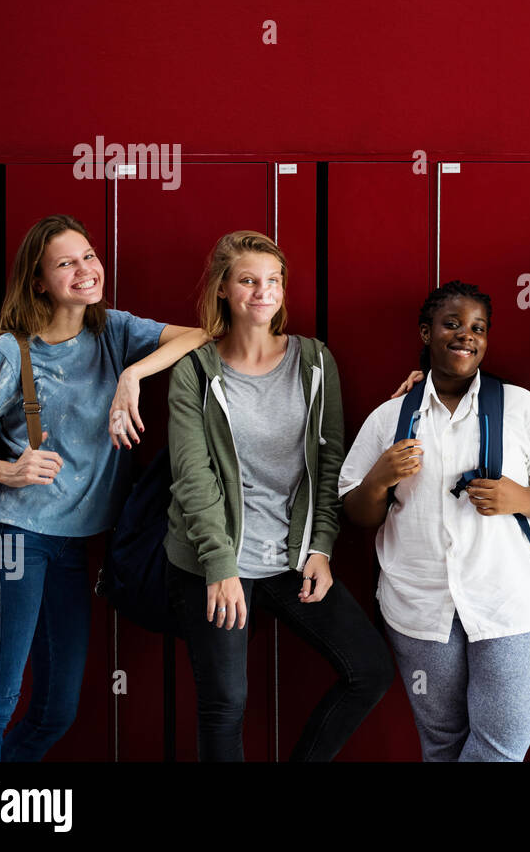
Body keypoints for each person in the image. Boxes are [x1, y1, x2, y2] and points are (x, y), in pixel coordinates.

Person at [0, 214, 208, 761]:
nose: (86, 270)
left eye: (90, 255)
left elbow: (203, 335)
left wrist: (133, 375)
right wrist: (6, 471)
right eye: (65, 263)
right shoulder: (10, 354)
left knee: (57, 709)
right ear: (38, 281)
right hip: (12, 538)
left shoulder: (116, 332)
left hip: (72, 544)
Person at [164, 230, 393, 761]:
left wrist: (321, 548)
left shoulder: (314, 362)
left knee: (370, 671)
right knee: (225, 703)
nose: (262, 292)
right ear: (223, 288)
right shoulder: (194, 370)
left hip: (291, 557)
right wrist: (220, 565)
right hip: (213, 561)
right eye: (248, 280)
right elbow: (191, 476)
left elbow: (331, 462)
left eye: (273, 281)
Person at [340, 281, 530, 762]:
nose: (466, 336)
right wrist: (380, 479)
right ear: (426, 332)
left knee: (500, 748)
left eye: (478, 328)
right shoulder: (390, 417)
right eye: (452, 324)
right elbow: (356, 512)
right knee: (442, 745)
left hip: (509, 604)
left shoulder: (521, 408)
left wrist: (520, 498)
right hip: (420, 608)